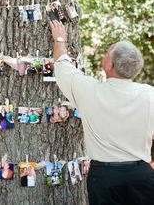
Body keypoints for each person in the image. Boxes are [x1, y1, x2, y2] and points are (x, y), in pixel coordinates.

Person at [50, 20, 154, 205]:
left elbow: (62, 65)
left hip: (104, 177)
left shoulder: (89, 90)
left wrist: (60, 39)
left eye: (107, 53)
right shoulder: (150, 94)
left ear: (110, 66)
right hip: (141, 176)